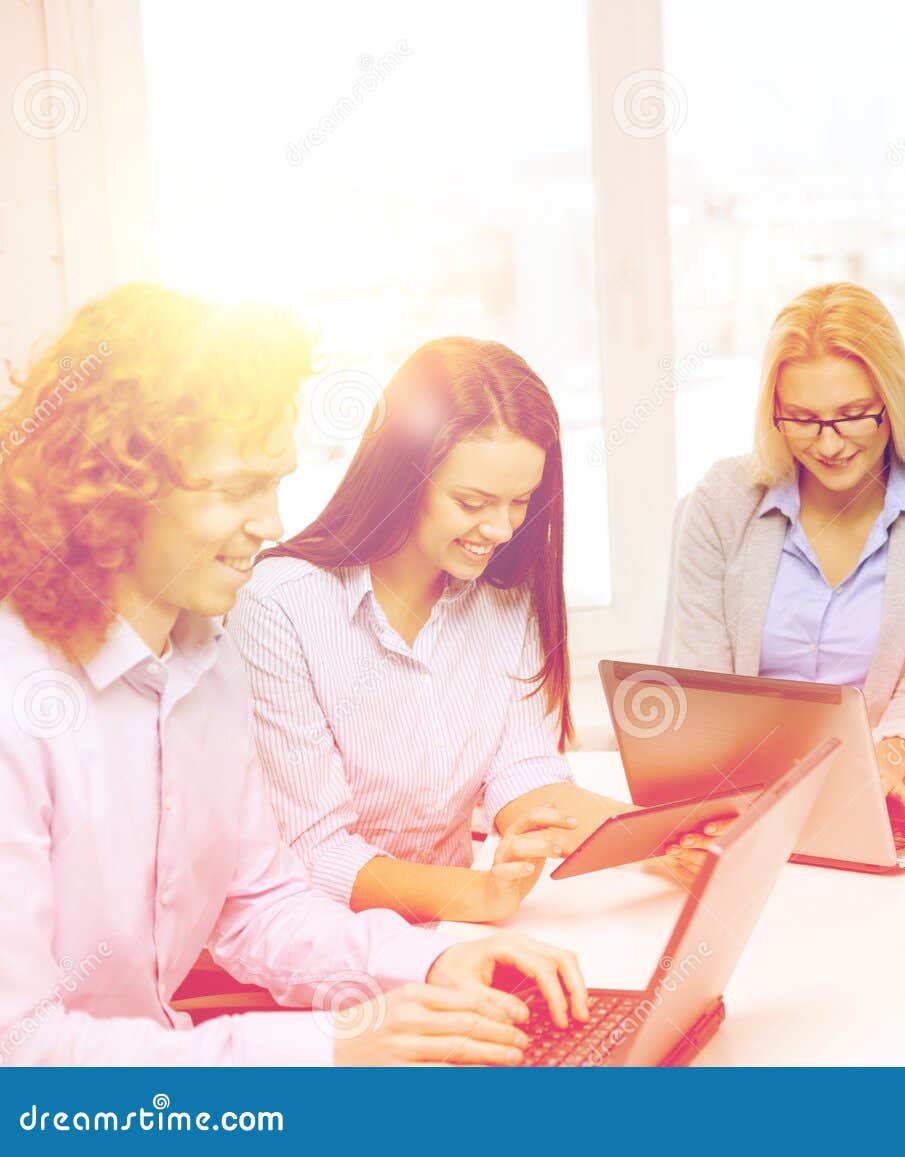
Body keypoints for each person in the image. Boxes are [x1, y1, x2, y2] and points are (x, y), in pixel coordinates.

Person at [0, 285, 587, 1065]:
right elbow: (19, 1050)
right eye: (237, 488)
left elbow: (260, 907)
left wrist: (432, 962)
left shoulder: (206, 665)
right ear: (115, 486)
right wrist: (331, 1047)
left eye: (275, 482)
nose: (272, 522)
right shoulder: (20, 700)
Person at [231, 337, 646, 925]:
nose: (500, 528)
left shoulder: (506, 593)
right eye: (473, 501)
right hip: (329, 949)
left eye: (520, 500)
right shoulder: (278, 607)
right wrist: (476, 894)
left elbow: (523, 774)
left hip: (459, 934)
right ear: (403, 477)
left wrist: (662, 842)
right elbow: (315, 852)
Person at [666, 283, 905, 798]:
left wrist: (885, 765)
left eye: (852, 414)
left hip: (871, 791)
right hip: (736, 789)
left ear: (893, 402)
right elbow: (700, 682)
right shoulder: (722, 501)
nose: (828, 444)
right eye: (801, 419)